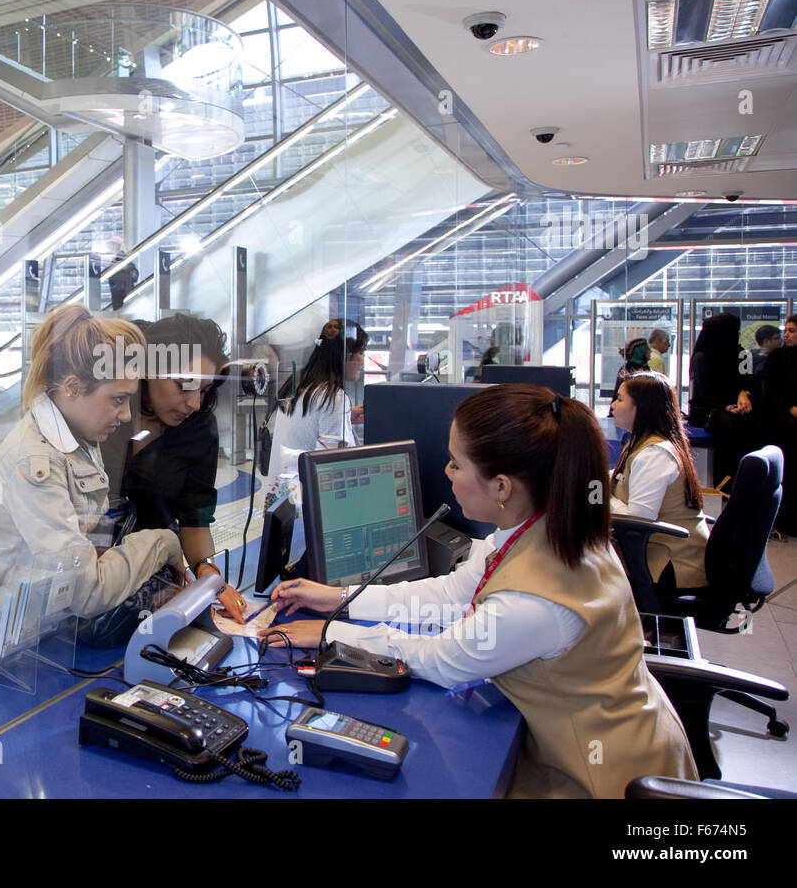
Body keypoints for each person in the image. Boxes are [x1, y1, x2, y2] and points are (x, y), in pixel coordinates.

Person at [260, 384, 698, 798]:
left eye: (456, 464)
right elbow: (449, 594)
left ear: (502, 486)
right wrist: (341, 600)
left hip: (597, 776)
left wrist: (331, 637)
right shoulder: (546, 527)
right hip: (599, 740)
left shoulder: (535, 600)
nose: (446, 473)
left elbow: (441, 660)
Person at [0, 304, 186, 643]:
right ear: (71, 387)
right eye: (117, 399)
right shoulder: (34, 462)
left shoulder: (77, 437)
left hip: (58, 637)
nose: (126, 414)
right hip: (20, 657)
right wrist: (163, 543)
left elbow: (89, 542)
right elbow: (87, 591)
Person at [103, 312, 245, 620]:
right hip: (88, 574)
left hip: (153, 581)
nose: (194, 403)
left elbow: (194, 516)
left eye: (204, 390)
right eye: (184, 385)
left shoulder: (197, 428)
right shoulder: (105, 411)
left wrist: (207, 572)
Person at [609, 372, 709, 590]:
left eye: (619, 398)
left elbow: (637, 518)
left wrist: (604, 499)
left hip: (670, 567)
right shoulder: (643, 442)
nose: (613, 404)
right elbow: (623, 478)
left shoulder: (654, 453)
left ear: (642, 407)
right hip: (661, 557)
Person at [269, 326, 367, 476]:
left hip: (284, 488)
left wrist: (345, 417)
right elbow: (332, 464)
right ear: (344, 356)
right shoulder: (333, 397)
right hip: (309, 493)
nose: (362, 360)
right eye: (360, 353)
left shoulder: (299, 382)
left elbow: (305, 427)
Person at [688, 312, 757, 485]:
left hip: (736, 406)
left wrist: (744, 393)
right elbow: (705, 394)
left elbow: (749, 381)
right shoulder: (702, 358)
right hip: (708, 410)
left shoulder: (743, 354)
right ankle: (726, 482)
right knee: (732, 426)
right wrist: (727, 406)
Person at [759, 314, 797, 534]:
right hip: (781, 423)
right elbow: (771, 390)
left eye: (793, 331)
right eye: (787, 330)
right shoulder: (776, 357)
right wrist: (790, 408)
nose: (787, 335)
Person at [103, 235, 137, 310]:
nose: (110, 247)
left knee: (120, 312)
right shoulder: (120, 257)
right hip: (122, 291)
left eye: (111, 244)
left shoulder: (120, 257)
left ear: (116, 245)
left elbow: (130, 272)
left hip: (120, 292)